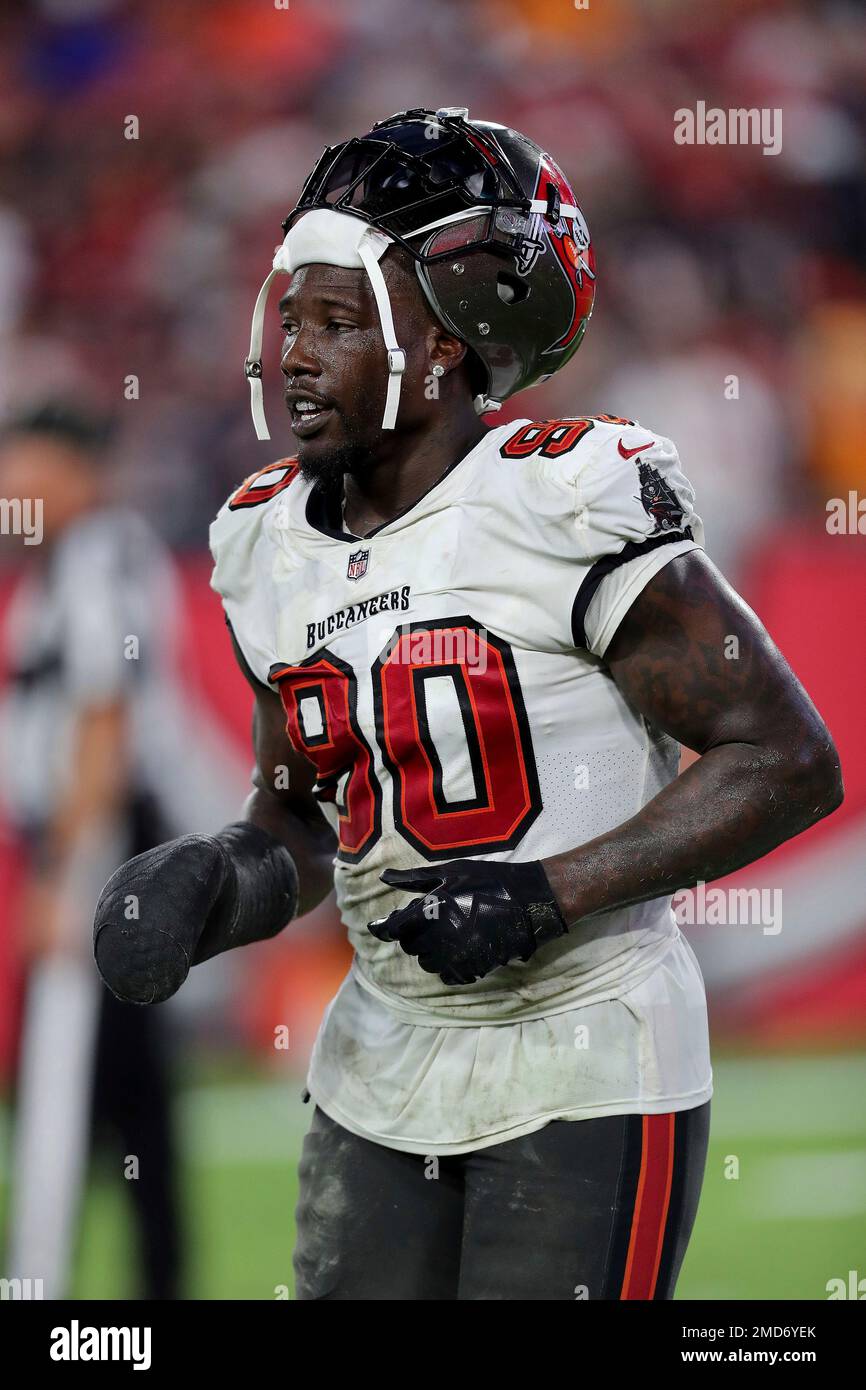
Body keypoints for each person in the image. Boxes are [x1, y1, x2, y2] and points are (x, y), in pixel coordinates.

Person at [94, 108, 843, 1300]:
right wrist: (214, 883)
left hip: (586, 1046)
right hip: (378, 1059)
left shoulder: (561, 498)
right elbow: (299, 821)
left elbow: (788, 759)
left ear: (439, 348)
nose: (294, 352)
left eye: (336, 322)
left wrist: (550, 892)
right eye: (291, 318)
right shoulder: (263, 541)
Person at [1, 403, 183, 1299]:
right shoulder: (74, 561)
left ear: (75, 472)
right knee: (129, 1087)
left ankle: (35, 1282)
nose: (11, 492)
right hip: (97, 840)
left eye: (26, 470)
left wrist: (69, 882)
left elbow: (103, 723)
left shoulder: (93, 555)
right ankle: (156, 1284)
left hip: (99, 845)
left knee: (59, 1082)